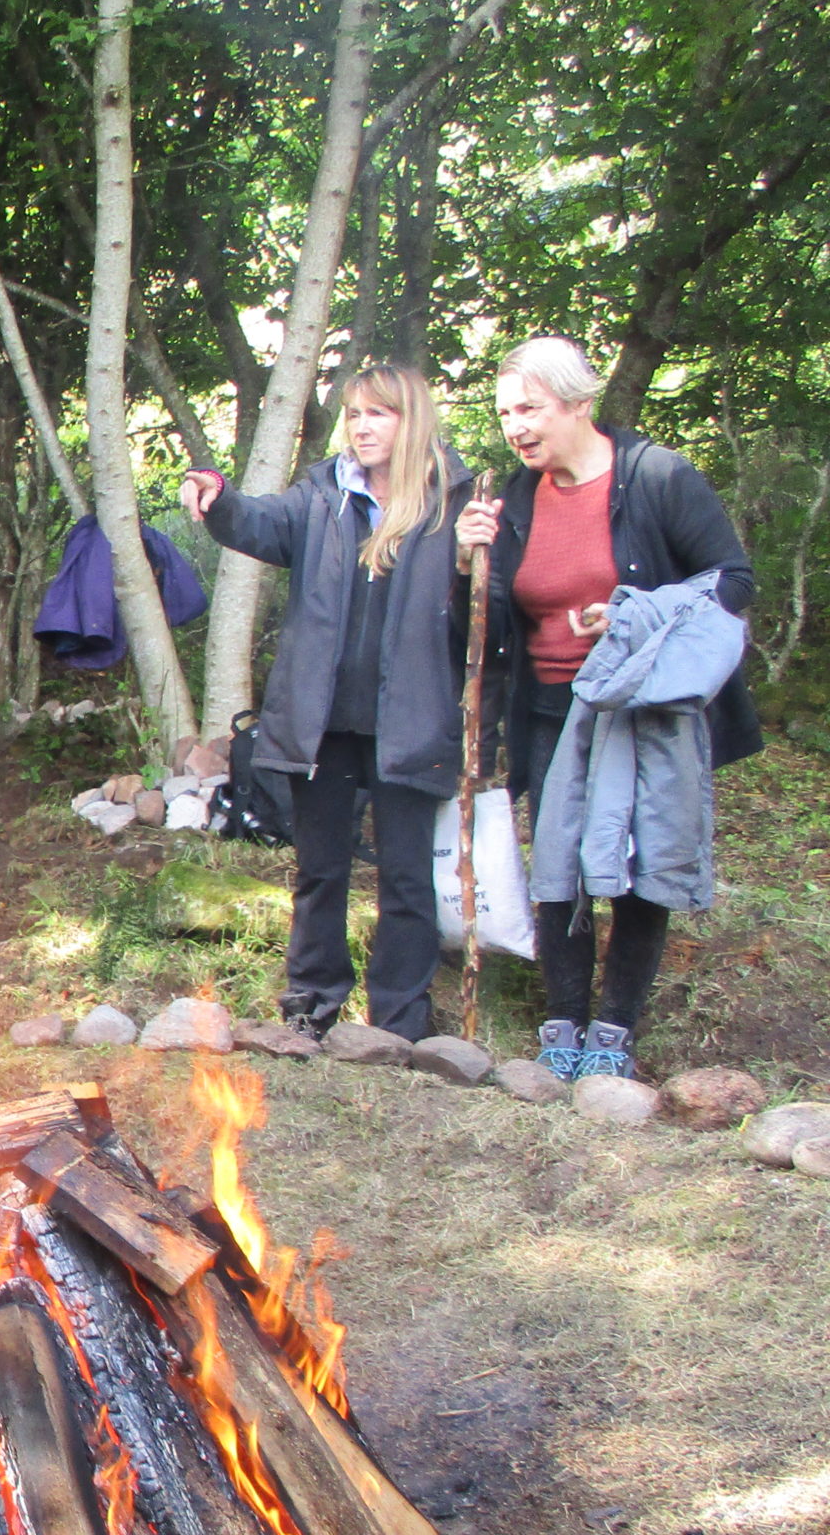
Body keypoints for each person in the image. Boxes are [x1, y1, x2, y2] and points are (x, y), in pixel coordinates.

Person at [453, 337, 760, 1080]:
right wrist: (469, 563)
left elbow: (731, 581)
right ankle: (564, 1019)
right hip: (551, 709)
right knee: (557, 857)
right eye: (504, 413)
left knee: (637, 859)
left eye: (530, 408)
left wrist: (629, 613)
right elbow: (495, 617)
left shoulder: (658, 476)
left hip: (642, 710)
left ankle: (615, 1029)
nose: (515, 426)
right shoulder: (515, 498)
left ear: (580, 403)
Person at [182, 365, 476, 1041]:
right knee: (321, 870)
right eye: (354, 413)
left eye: (380, 413)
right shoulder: (322, 497)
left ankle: (400, 1020)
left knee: (406, 879)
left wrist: (477, 560)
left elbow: (491, 612)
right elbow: (257, 522)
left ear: (412, 421)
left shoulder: (454, 504)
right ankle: (312, 1007)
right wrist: (218, 495)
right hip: (323, 725)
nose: (363, 426)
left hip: (413, 722)